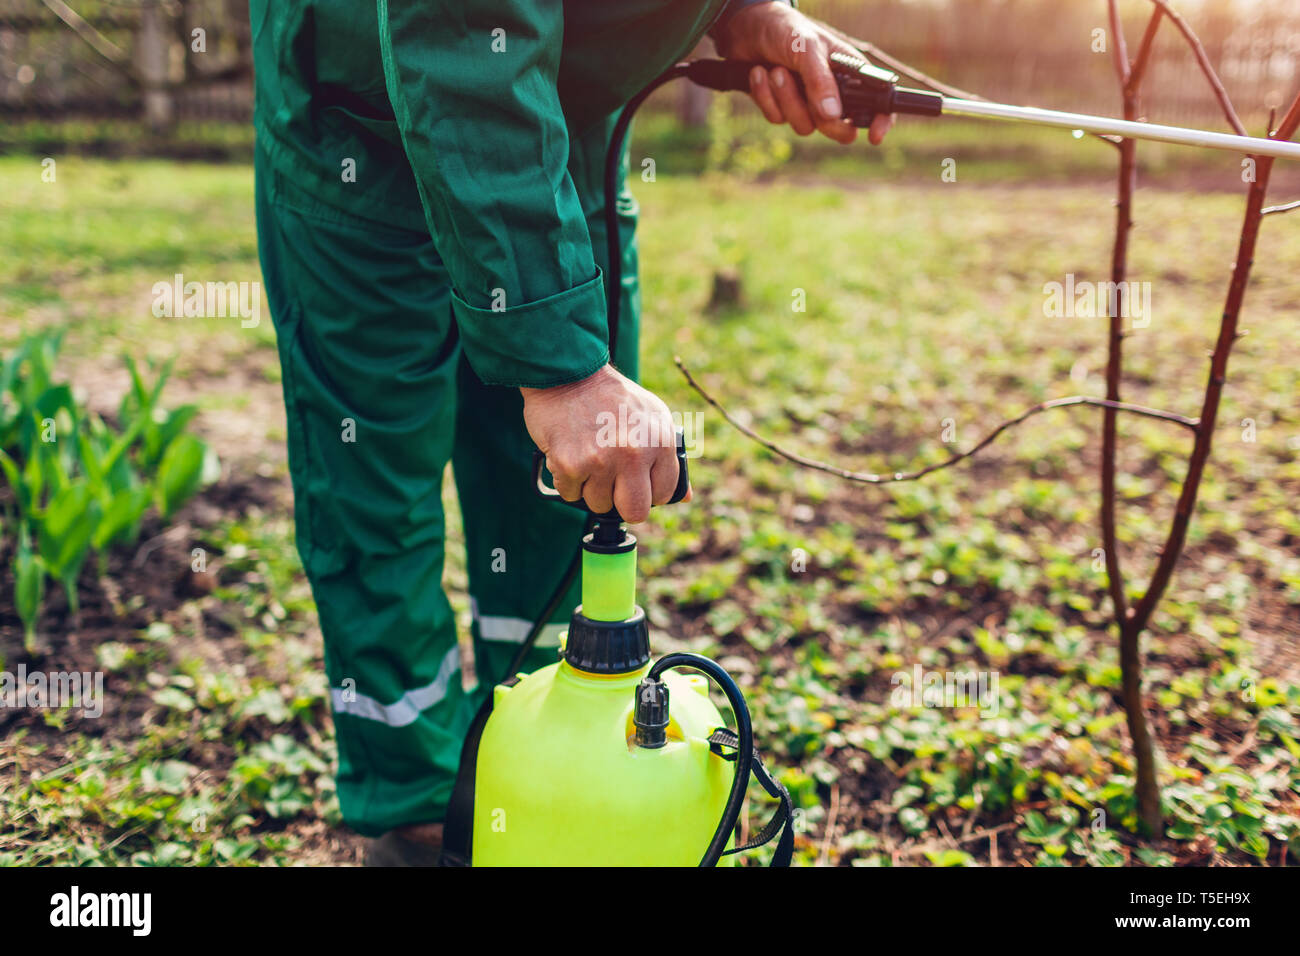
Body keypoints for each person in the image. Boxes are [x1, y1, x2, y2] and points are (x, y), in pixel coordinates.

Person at [250, 0, 892, 865]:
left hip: (561, 132)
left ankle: (550, 759)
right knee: (375, 498)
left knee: (569, 494)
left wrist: (736, 14)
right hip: (352, 130)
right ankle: (417, 814)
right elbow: (458, 26)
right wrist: (559, 366)